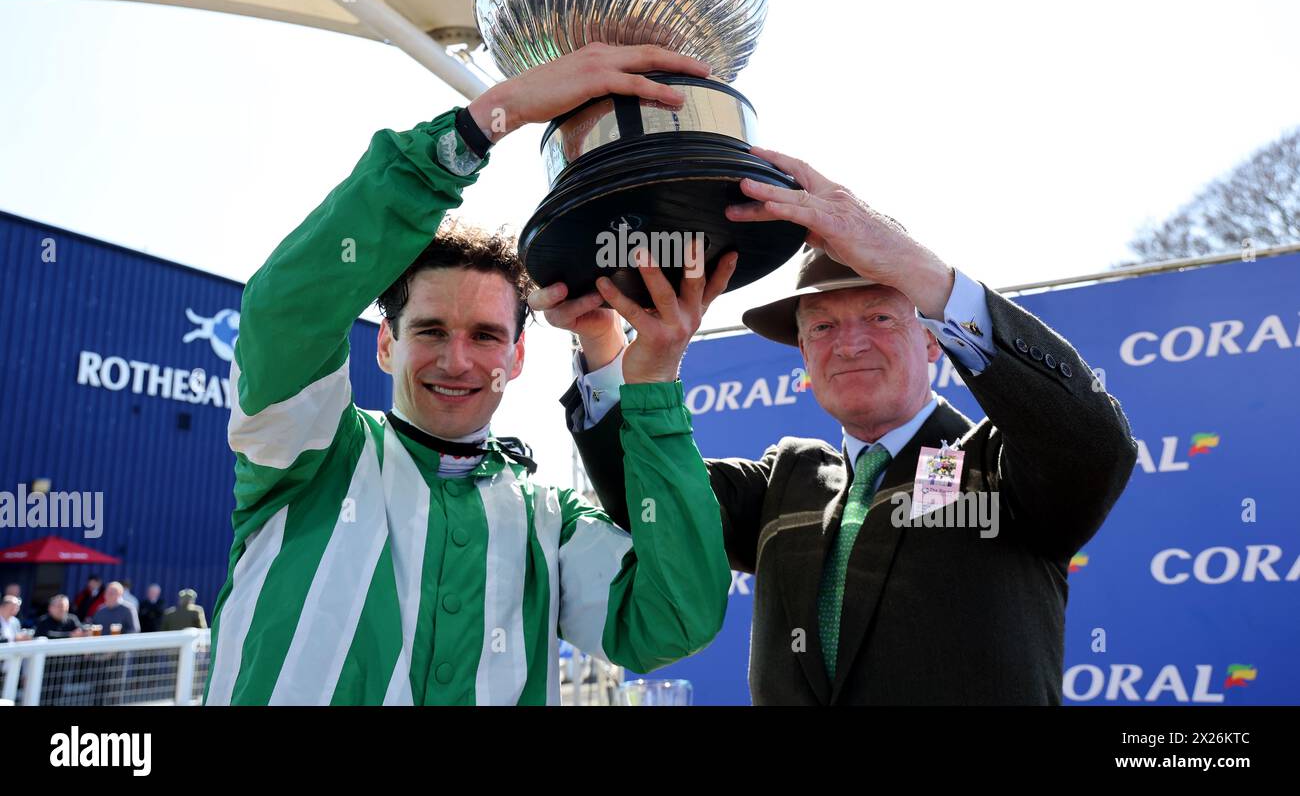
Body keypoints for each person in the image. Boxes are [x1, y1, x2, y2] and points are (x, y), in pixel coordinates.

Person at [204, 43, 735, 706]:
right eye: (430, 331)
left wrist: (648, 379)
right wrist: (484, 122)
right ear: (385, 345)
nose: (457, 361)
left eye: (485, 336)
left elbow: (675, 621)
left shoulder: (551, 520)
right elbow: (285, 312)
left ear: (516, 359)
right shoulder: (309, 457)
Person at [541, 148, 1139, 705]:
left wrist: (916, 269)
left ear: (933, 339)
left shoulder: (997, 469)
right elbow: (649, 500)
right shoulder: (787, 481)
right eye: (822, 327)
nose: (850, 344)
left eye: (881, 315)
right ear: (803, 354)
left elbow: (1090, 444)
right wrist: (602, 341)